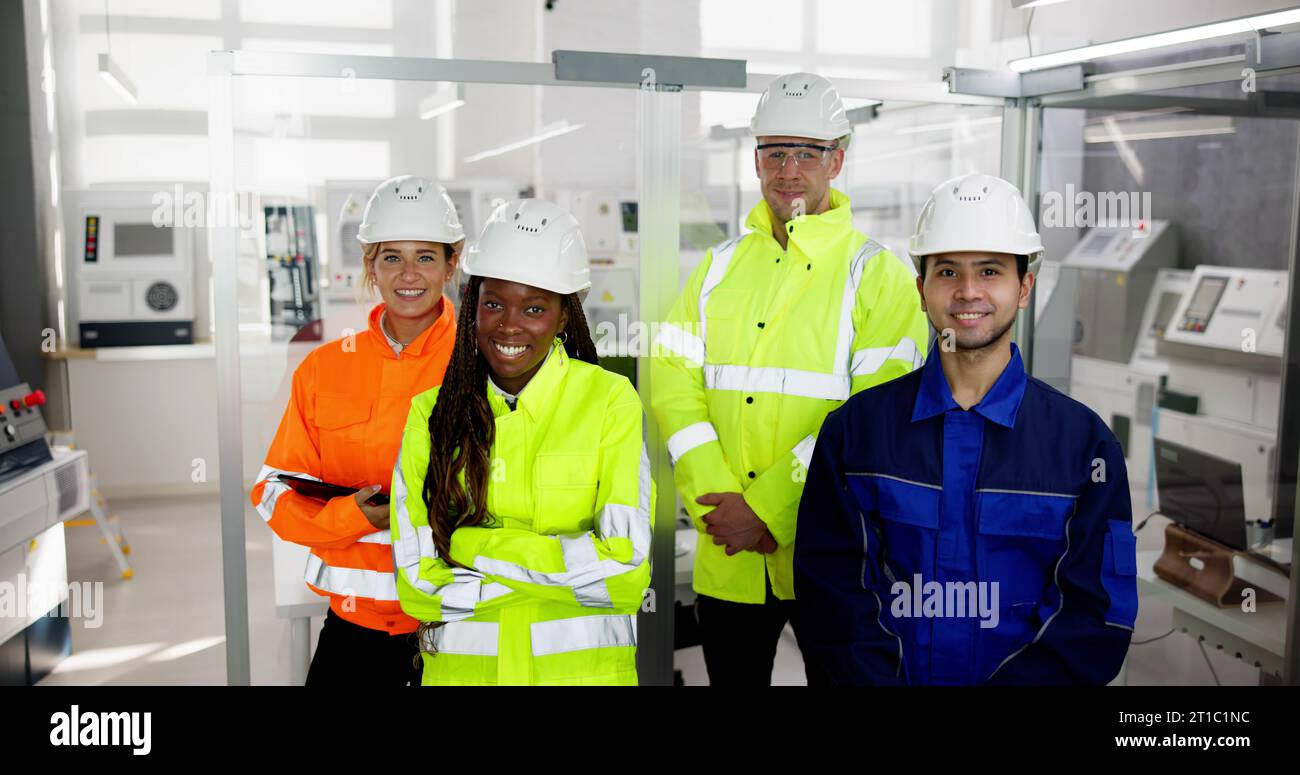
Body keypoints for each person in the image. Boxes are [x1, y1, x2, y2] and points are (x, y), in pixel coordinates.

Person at [793, 172, 1139, 685]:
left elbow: (1096, 615)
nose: (969, 292)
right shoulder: (856, 434)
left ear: (1024, 287)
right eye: (949, 271)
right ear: (921, 288)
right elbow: (833, 600)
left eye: (991, 271)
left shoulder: (1083, 447)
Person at [650, 72, 929, 685]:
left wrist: (767, 509)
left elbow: (869, 416)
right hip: (727, 549)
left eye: (807, 152)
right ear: (755, 160)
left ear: (838, 160)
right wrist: (717, 497)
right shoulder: (718, 267)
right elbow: (671, 379)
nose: (789, 170)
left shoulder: (876, 276)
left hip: (830, 550)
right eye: (775, 151)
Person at [391, 199, 653, 686]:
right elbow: (417, 585)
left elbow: (624, 576)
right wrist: (558, 569)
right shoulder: (432, 413)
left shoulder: (610, 401)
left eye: (535, 308)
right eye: (494, 304)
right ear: (472, 308)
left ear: (563, 318)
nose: (510, 325)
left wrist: (470, 544)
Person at [251, 175, 464, 685]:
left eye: (426, 257)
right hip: (353, 629)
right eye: (391, 257)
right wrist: (351, 517)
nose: (408, 274)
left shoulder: (482, 366)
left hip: (460, 622)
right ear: (370, 265)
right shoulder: (325, 368)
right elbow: (272, 494)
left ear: (452, 264)